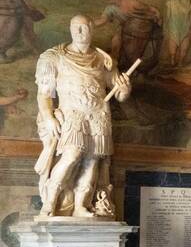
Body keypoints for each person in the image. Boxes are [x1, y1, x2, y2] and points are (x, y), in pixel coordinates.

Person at [35, 15, 132, 217]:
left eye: (84, 28)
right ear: (70, 30)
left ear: (91, 29)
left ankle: (81, 205)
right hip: (73, 115)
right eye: (76, 28)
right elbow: (44, 94)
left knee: (92, 160)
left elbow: (120, 94)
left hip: (98, 115)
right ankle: (50, 202)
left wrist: (125, 89)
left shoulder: (103, 60)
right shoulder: (54, 57)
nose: (80, 32)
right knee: (72, 155)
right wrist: (48, 118)